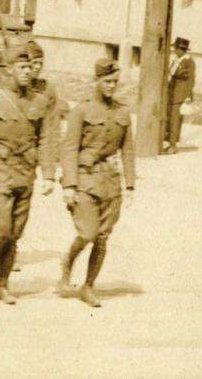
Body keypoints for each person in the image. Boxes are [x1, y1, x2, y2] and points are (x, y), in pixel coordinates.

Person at [0, 45, 57, 304]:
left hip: (25, 172)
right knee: (0, 230)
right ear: (10, 70)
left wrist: (48, 173)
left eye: (30, 67)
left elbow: (47, 138)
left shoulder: (39, 101)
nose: (28, 72)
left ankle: (3, 284)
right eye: (22, 67)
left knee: (14, 232)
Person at [59, 58, 135, 307]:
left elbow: (128, 150)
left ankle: (88, 286)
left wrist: (131, 185)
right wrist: (69, 185)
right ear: (97, 81)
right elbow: (69, 148)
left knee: (102, 237)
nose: (112, 86)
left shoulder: (123, 112)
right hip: (85, 178)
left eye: (115, 82)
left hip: (110, 181)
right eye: (107, 81)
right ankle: (68, 264)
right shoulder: (81, 110)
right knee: (87, 233)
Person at [164, 37, 195, 154]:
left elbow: (191, 79)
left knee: (175, 121)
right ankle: (169, 143)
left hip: (180, 95)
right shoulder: (176, 59)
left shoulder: (188, 61)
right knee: (169, 119)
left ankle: (173, 145)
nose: (174, 51)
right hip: (171, 94)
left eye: (175, 49)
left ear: (181, 49)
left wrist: (187, 96)